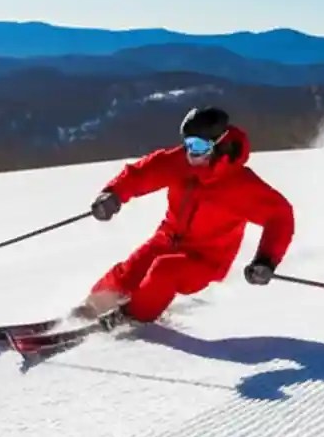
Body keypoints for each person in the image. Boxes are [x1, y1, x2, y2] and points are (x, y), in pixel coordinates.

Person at [77, 106, 296, 326]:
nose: (191, 153)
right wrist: (113, 195)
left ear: (218, 146)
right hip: (167, 239)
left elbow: (280, 216)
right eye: (188, 143)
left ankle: (133, 316)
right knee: (129, 271)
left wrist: (266, 260)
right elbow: (142, 174)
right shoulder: (181, 162)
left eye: (199, 146)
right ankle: (91, 308)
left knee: (164, 270)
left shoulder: (240, 185)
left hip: (205, 260)